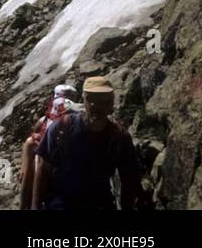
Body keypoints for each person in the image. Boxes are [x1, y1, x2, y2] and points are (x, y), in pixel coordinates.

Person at [33, 75, 143, 210]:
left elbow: (129, 181)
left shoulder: (120, 138)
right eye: (92, 100)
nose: (97, 106)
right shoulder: (61, 126)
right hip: (61, 202)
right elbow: (43, 170)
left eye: (104, 102)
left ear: (111, 104)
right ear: (84, 101)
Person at [19, 84, 80, 210]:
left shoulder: (45, 119)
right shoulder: (76, 115)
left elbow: (35, 136)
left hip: (50, 157)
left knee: (33, 152)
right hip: (64, 158)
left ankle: (25, 204)